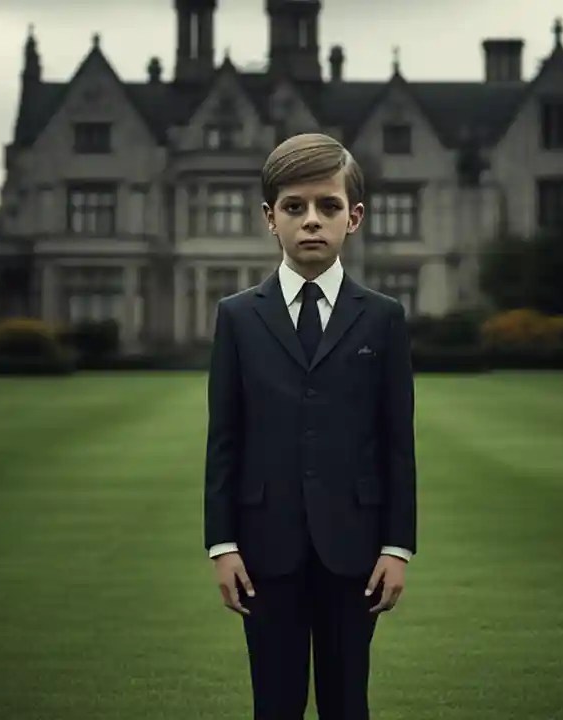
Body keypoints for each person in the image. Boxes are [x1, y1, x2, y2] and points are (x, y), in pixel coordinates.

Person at [203, 132, 418, 720]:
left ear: (354, 216)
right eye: (295, 208)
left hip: (356, 549)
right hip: (263, 550)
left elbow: (398, 442)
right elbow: (225, 440)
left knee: (348, 702)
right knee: (275, 704)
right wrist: (222, 545)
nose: (312, 221)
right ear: (271, 218)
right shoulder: (238, 318)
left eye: (327, 206)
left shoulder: (383, 319)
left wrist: (397, 547)